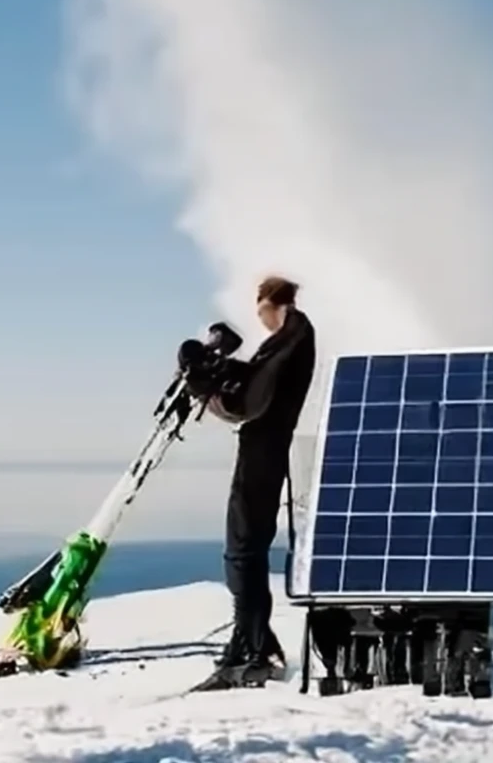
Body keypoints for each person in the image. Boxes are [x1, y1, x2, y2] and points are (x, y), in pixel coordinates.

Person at [193, 274, 316, 691]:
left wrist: (209, 391)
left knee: (242, 551)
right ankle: (255, 643)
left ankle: (251, 653)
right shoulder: (290, 339)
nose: (259, 318)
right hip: (268, 449)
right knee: (247, 550)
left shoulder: (291, 337)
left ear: (268, 303)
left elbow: (252, 401)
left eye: (259, 308)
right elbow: (259, 382)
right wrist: (223, 371)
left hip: (264, 452)